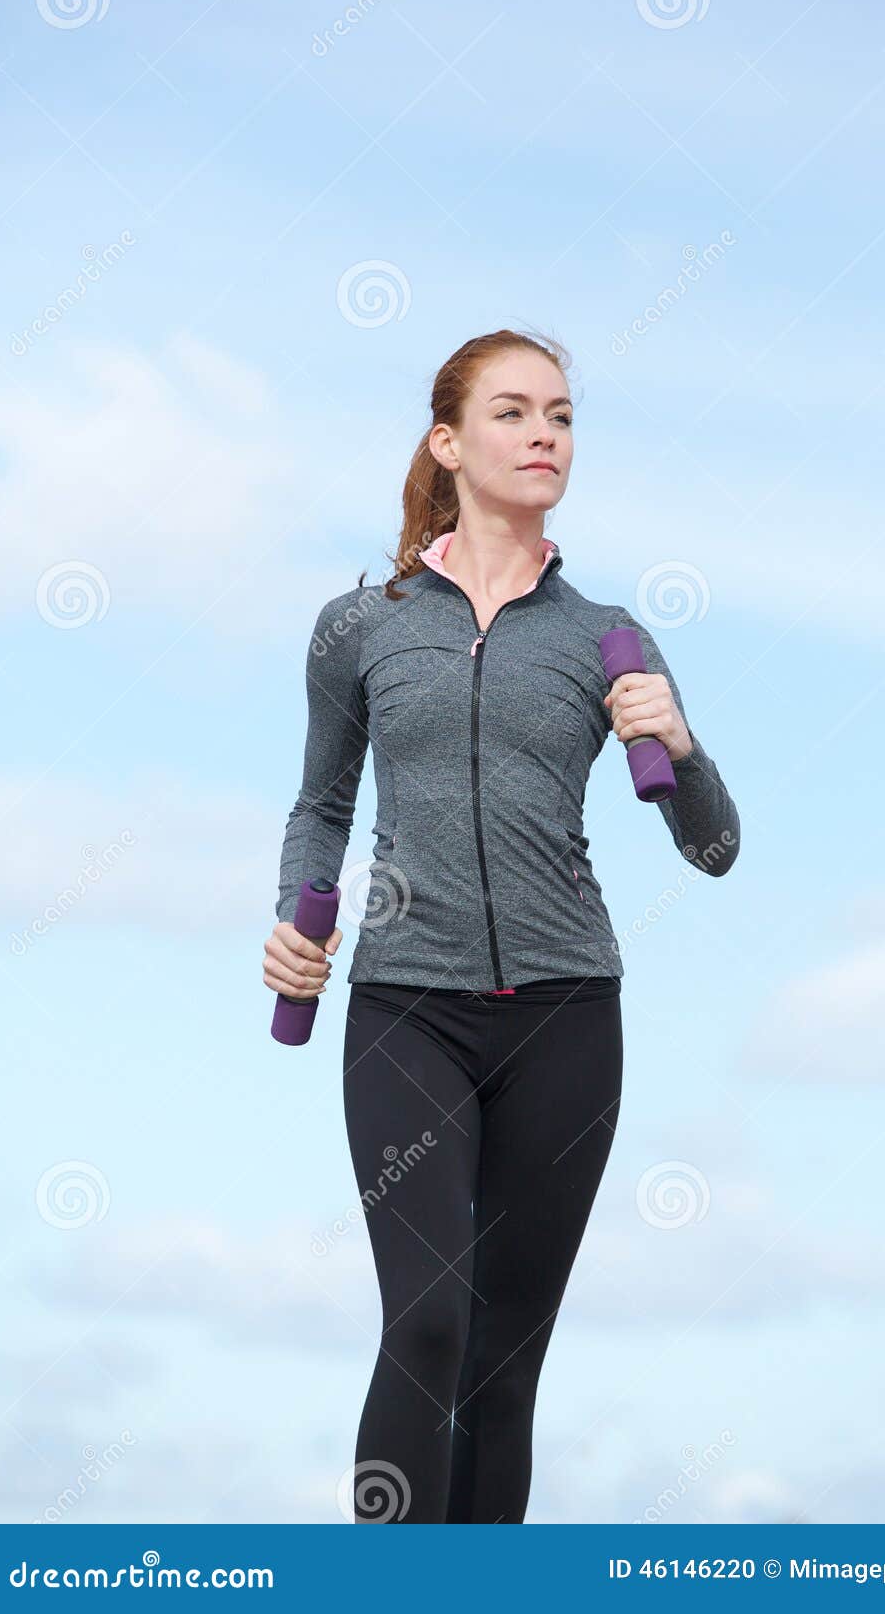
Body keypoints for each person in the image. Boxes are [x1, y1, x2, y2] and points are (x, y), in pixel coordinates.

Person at [264, 328, 740, 1523]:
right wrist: (294, 925)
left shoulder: (605, 638)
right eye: (516, 413)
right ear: (448, 441)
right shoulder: (357, 627)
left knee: (502, 1360)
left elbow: (714, 844)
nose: (544, 436)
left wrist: (678, 747)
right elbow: (321, 807)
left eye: (563, 417)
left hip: (566, 1015)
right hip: (405, 1010)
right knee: (426, 1322)